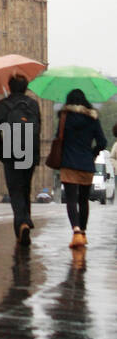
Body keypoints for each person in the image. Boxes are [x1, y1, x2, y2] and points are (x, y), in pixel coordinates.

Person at [0, 73, 41, 246]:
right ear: (26, 87)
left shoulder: (1, 106)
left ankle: (22, 222)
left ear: (9, 87)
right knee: (25, 188)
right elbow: (38, 129)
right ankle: (24, 225)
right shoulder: (33, 105)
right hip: (29, 153)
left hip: (10, 154)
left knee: (15, 191)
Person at [57, 89, 107, 248]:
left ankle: (76, 230)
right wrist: (92, 153)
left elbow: (58, 138)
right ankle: (83, 233)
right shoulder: (92, 118)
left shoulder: (65, 117)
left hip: (68, 162)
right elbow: (102, 141)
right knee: (83, 200)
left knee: (71, 199)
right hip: (86, 164)